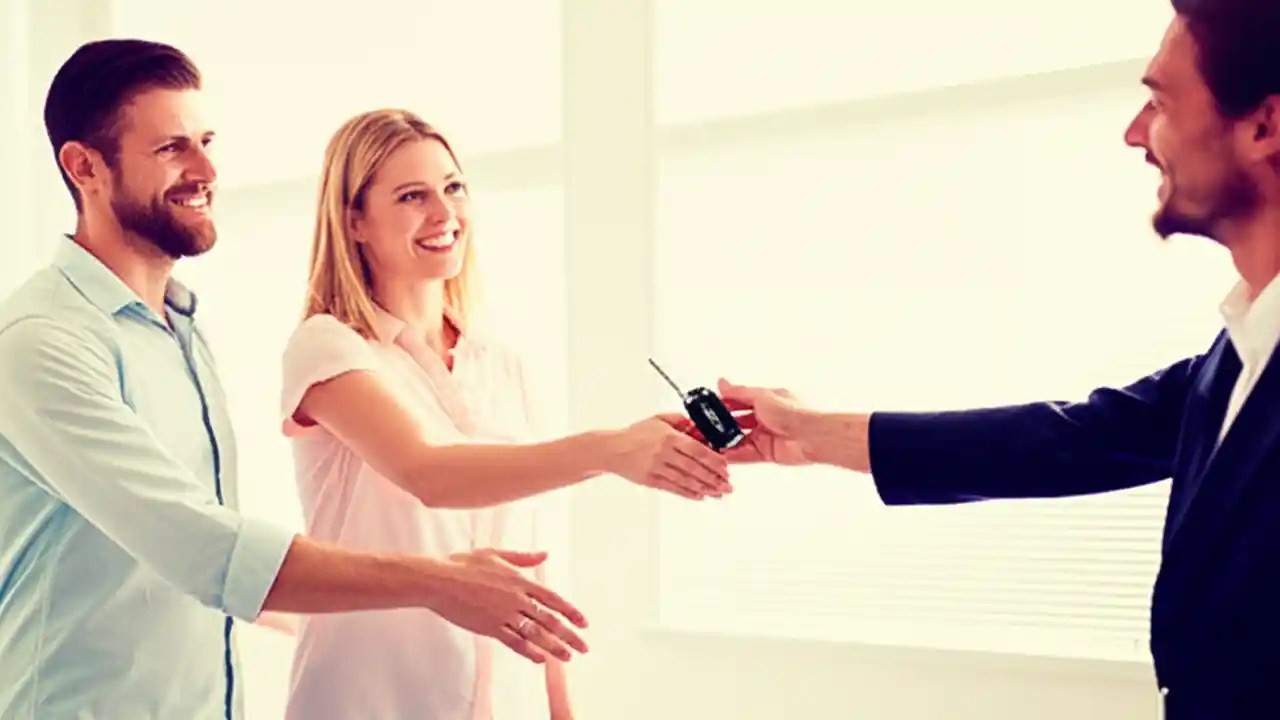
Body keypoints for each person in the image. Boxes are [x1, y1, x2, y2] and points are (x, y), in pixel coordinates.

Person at [0, 39, 600, 720]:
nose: (206, 170)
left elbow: (211, 559)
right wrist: (439, 584)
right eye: (171, 149)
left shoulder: (180, 336)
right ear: (84, 168)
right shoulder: (42, 344)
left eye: (206, 141)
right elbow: (208, 550)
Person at [709, 3, 1280, 717]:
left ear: (1264, 125)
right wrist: (810, 433)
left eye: (1160, 101)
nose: (1135, 134)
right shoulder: (1240, 352)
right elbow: (1071, 440)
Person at [279, 107, 733, 720]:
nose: (444, 215)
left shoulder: (503, 364)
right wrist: (611, 448)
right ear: (354, 220)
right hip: (371, 698)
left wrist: (560, 707)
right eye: (413, 196)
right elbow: (430, 474)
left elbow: (531, 552)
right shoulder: (328, 347)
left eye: (454, 188)